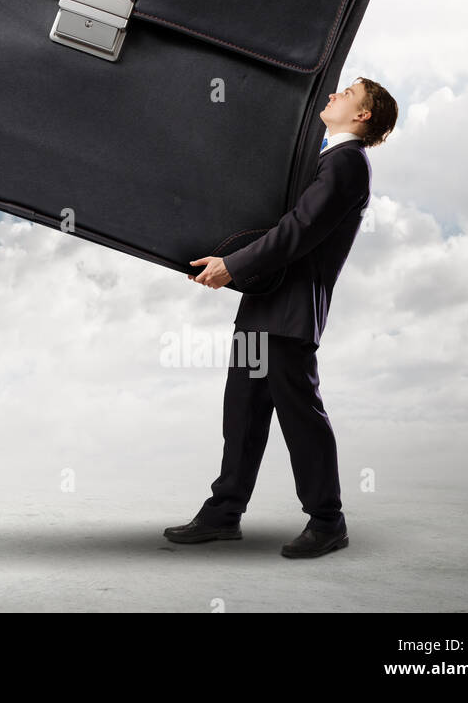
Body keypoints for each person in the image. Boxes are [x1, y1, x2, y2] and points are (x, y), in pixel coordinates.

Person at [165, 76, 398, 559]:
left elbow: (299, 229)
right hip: (265, 307)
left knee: (301, 418)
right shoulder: (325, 160)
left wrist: (233, 265)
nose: (333, 94)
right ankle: (224, 513)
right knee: (243, 413)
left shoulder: (348, 163)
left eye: (347, 94)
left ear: (363, 115)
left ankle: (328, 521)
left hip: (290, 314)